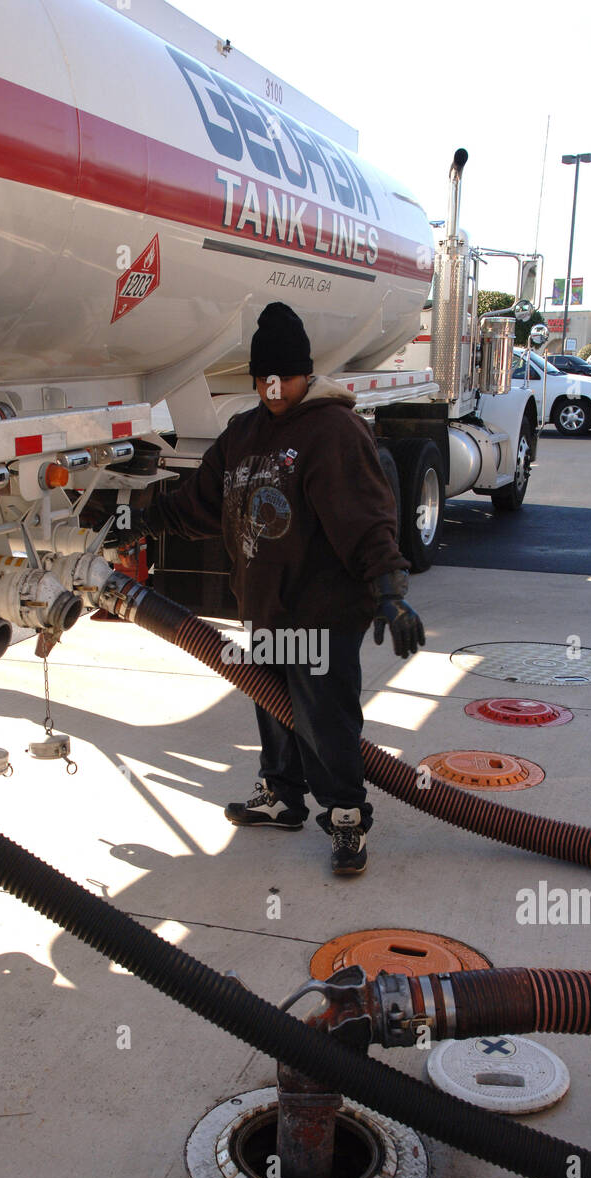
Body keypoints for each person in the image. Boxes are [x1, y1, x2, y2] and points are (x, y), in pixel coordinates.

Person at [117, 302, 424, 875]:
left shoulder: (334, 431)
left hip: (324, 610)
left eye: (283, 375)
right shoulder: (245, 433)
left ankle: (346, 818)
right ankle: (282, 795)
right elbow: (200, 503)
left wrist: (390, 589)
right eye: (263, 378)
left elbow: (367, 518)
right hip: (267, 604)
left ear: (306, 374)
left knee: (323, 715)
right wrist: (143, 518)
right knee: (273, 702)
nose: (273, 387)